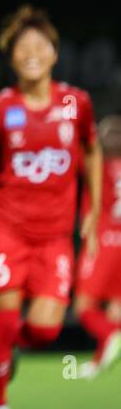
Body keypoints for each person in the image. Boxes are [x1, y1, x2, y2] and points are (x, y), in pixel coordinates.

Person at [0, 7, 101, 409]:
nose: (32, 53)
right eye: (23, 48)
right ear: (11, 58)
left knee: (45, 331)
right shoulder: (0, 108)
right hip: (6, 228)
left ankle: (5, 349)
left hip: (55, 235)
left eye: (40, 46)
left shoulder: (77, 103)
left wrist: (91, 210)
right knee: (3, 315)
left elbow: (91, 151)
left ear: (55, 54)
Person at [75, 115, 121, 377]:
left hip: (102, 241)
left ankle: (112, 335)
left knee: (84, 307)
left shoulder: (97, 165)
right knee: (115, 307)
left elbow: (76, 149)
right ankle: (98, 361)